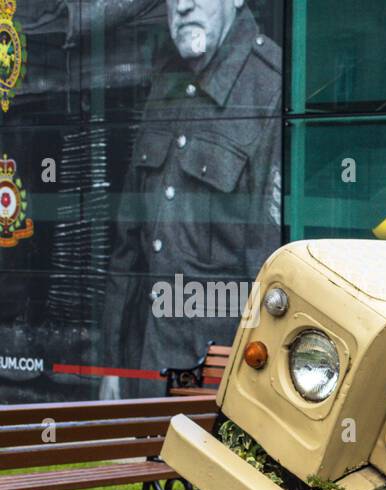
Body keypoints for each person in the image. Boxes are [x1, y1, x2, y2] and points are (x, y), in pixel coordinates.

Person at [99, 0, 280, 399]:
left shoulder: (270, 88)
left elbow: (271, 275)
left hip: (219, 380)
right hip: (147, 370)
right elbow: (128, 245)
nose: (183, 6)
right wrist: (112, 366)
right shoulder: (167, 81)